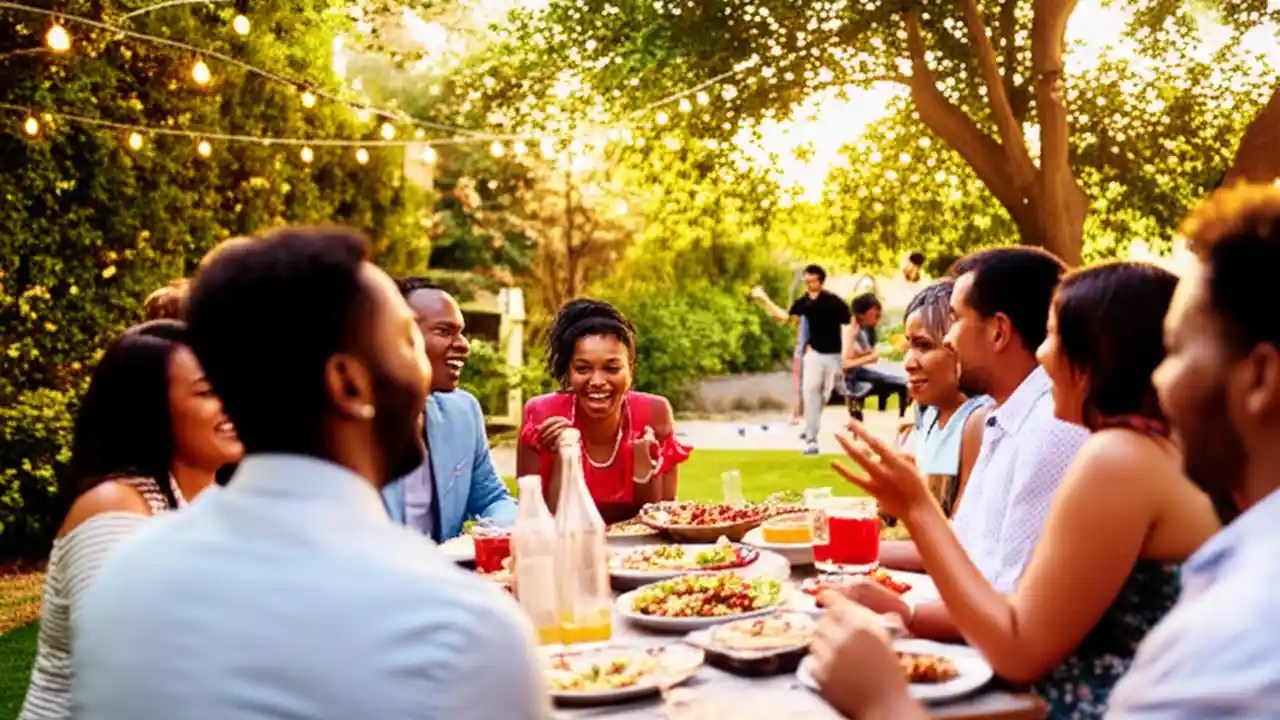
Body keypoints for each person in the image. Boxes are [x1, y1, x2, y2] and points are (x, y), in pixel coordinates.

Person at [808, 183, 1280, 720]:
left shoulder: (1121, 458)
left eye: (1178, 351)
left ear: (1260, 379)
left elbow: (1020, 645)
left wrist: (883, 701)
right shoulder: (1241, 547)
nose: (1163, 378)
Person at [71, 227, 549, 719]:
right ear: (348, 384)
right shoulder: (464, 630)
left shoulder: (122, 584)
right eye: (406, 342)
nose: (425, 376)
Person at [832, 262, 1218, 717]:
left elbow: (1019, 650)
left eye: (1054, 336)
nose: (1040, 355)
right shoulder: (1148, 450)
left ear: (1096, 354)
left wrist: (916, 507)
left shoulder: (1117, 457)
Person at [20, 319, 242, 720]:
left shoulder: (217, 502)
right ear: (150, 411)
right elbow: (119, 675)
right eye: (209, 391)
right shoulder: (117, 506)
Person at [856, 248, 1091, 624]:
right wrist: (846, 554)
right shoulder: (1008, 418)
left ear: (999, 331)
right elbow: (963, 549)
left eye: (955, 320)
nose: (948, 339)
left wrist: (905, 613)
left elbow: (1011, 611)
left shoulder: (1048, 430)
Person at [517, 299, 690, 524]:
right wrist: (564, 457)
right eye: (583, 368)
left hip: (639, 555)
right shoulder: (542, 415)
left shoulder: (653, 414)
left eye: (611, 368)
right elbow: (537, 522)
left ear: (630, 371)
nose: (597, 381)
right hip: (566, 554)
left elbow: (662, 522)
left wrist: (642, 470)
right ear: (569, 372)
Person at [381, 278, 517, 541]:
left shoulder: (463, 412)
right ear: (398, 336)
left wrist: (495, 530)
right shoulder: (352, 424)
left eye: (461, 332)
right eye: (445, 331)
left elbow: (493, 499)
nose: (464, 345)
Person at [895, 281, 991, 517]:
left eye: (924, 345)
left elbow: (960, 537)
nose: (909, 363)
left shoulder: (980, 421)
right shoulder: (925, 418)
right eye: (909, 344)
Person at [751, 264, 852, 454]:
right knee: (811, 393)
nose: (808, 284)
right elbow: (784, 317)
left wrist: (847, 353)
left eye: (812, 281)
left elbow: (849, 323)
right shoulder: (804, 303)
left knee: (825, 394)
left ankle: (810, 427)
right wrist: (764, 299)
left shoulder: (834, 302)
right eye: (806, 281)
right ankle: (811, 438)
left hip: (833, 355)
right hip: (813, 355)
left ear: (820, 281)